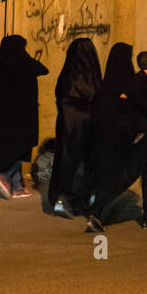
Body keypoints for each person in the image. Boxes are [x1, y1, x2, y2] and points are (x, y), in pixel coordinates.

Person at [84, 46, 147, 231]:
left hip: (120, 138)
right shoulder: (133, 80)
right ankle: (96, 212)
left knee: (146, 171)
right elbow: (135, 102)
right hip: (137, 136)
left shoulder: (106, 86)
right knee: (125, 177)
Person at [0, 34, 48, 199]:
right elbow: (43, 69)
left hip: (6, 115)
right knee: (22, 147)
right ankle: (5, 175)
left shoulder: (3, 65)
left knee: (13, 148)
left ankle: (16, 186)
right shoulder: (23, 63)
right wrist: (27, 57)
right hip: (23, 114)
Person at [48, 38, 101, 218]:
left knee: (65, 160)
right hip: (86, 126)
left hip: (67, 127)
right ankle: (79, 199)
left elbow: (60, 97)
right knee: (83, 163)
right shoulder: (91, 76)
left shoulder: (66, 75)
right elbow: (97, 99)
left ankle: (62, 199)